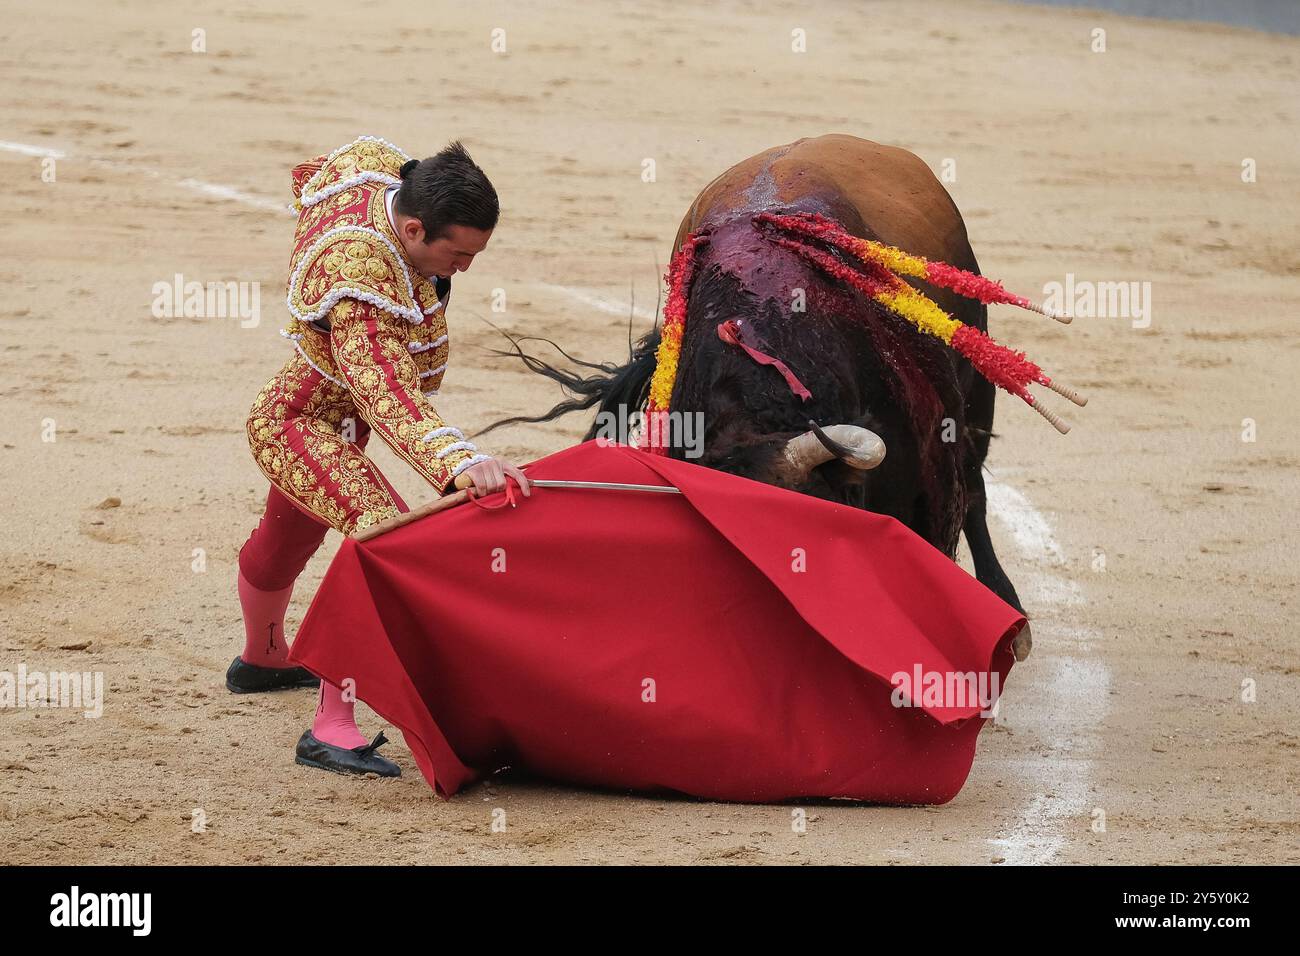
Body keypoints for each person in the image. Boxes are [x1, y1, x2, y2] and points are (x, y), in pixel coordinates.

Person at [229, 135, 530, 777]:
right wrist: (456, 462)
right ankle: (330, 726)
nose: (465, 269)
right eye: (457, 254)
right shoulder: (359, 279)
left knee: (283, 541)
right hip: (299, 423)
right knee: (383, 543)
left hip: (324, 416)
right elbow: (382, 390)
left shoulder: (385, 181)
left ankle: (260, 659)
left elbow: (333, 166)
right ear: (414, 227)